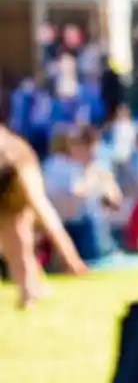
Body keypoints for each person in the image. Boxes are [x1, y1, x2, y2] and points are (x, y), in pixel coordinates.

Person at [0, 125, 90, 308]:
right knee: (34, 213)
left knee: (14, 230)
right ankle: (35, 287)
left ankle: (30, 290)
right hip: (13, 156)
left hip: (11, 158)